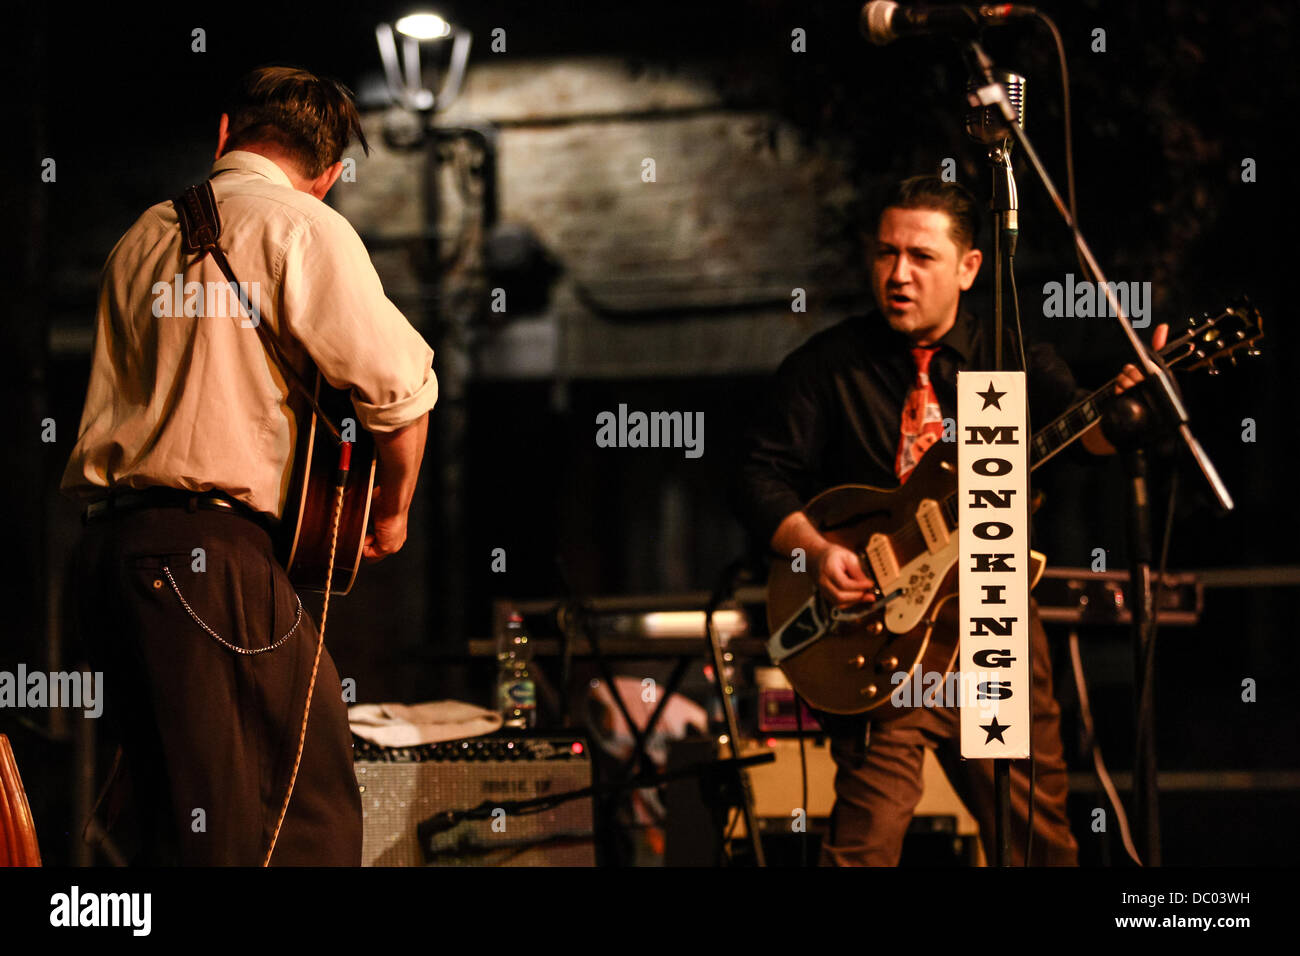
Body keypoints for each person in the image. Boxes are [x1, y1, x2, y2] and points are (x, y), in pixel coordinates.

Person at [60, 66, 438, 865]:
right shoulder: (301, 225)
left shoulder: (141, 235)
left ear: (227, 133)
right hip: (208, 562)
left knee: (170, 815)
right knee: (290, 809)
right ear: (331, 174)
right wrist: (395, 508)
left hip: (107, 559)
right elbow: (401, 394)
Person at [736, 175, 1165, 866]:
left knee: (1036, 845)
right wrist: (814, 553)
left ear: (969, 267)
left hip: (992, 622)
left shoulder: (1008, 354)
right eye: (885, 253)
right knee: (863, 849)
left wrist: (1122, 409)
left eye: (921, 257)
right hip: (881, 643)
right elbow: (757, 474)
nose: (897, 274)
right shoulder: (828, 366)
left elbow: (1083, 437)